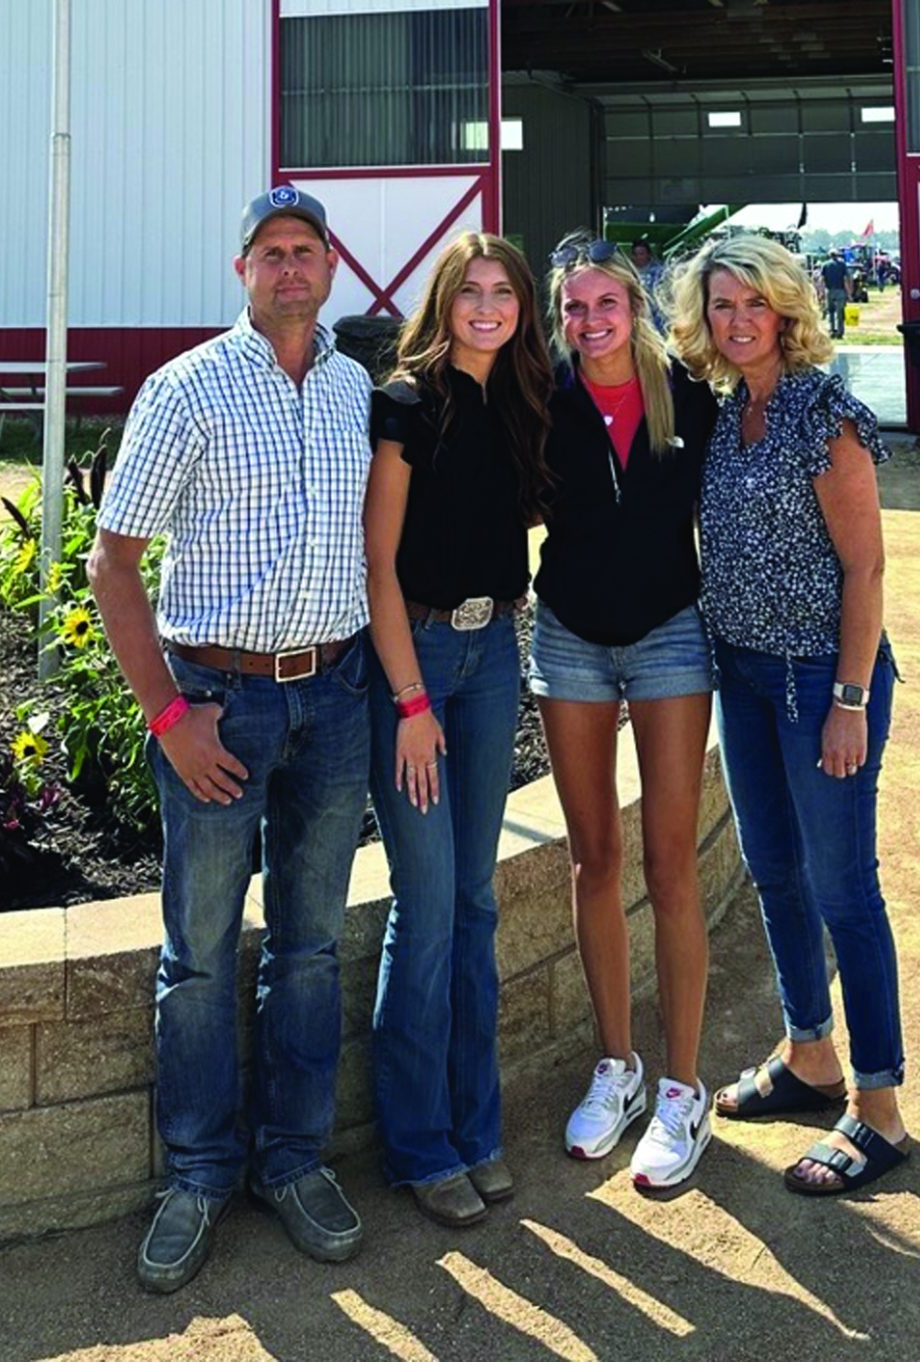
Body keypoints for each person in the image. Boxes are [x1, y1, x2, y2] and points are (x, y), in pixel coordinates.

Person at [90, 187, 373, 1292]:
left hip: (335, 699)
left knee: (307, 946)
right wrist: (169, 716)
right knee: (201, 955)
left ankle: (292, 1163)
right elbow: (114, 564)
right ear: (240, 269)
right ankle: (199, 1175)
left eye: (306, 251)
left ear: (331, 268)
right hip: (223, 701)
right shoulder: (188, 389)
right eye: (271, 253)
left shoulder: (352, 389)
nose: (290, 269)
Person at [667, 233, 910, 1196]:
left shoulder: (823, 413)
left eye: (752, 305)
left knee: (844, 886)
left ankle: (881, 1108)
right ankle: (812, 1056)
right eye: (720, 306)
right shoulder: (728, 416)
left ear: (786, 312)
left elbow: (866, 567)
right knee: (773, 872)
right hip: (745, 676)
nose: (736, 322)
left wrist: (850, 700)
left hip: (822, 684)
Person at [363, 232, 554, 1228]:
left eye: (503, 292)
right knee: (427, 904)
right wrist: (406, 704)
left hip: (493, 663)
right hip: (423, 664)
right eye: (470, 291)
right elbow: (378, 565)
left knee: (475, 903)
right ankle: (419, 1143)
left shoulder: (526, 399)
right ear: (445, 301)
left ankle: (478, 1129)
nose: (486, 306)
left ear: (524, 307)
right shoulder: (405, 401)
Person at [532, 232, 718, 1188]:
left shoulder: (686, 393)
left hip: (668, 635)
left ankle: (686, 1089)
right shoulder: (543, 399)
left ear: (634, 308)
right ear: (559, 316)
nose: (592, 322)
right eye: (575, 308)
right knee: (592, 856)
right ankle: (620, 1067)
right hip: (567, 635)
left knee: (669, 861)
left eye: (607, 304)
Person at [630, 238, 667, 331]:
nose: (639, 257)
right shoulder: (628, 273)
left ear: (648, 254)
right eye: (636, 254)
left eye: (641, 254)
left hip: (657, 318)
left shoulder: (660, 272)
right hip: (637, 317)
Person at [820, 249, 850, 339]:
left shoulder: (825, 265)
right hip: (840, 290)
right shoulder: (842, 265)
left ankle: (832, 331)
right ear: (837, 255)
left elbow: (822, 280)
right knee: (840, 312)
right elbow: (845, 279)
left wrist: (821, 292)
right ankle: (840, 332)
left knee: (831, 312)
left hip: (829, 291)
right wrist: (848, 293)